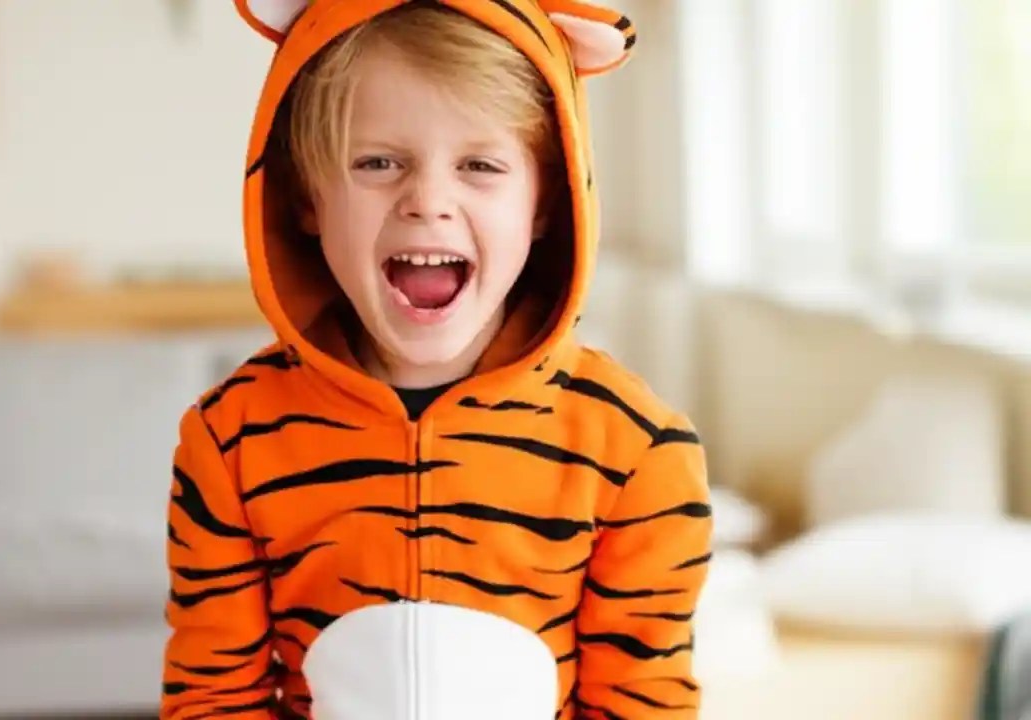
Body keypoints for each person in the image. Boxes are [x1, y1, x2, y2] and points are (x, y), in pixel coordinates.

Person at [161, 1, 713, 718]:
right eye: (377, 162)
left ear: (545, 204)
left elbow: (641, 704)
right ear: (308, 200)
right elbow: (212, 700)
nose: (427, 201)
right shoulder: (230, 441)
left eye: (480, 165)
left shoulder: (637, 451)